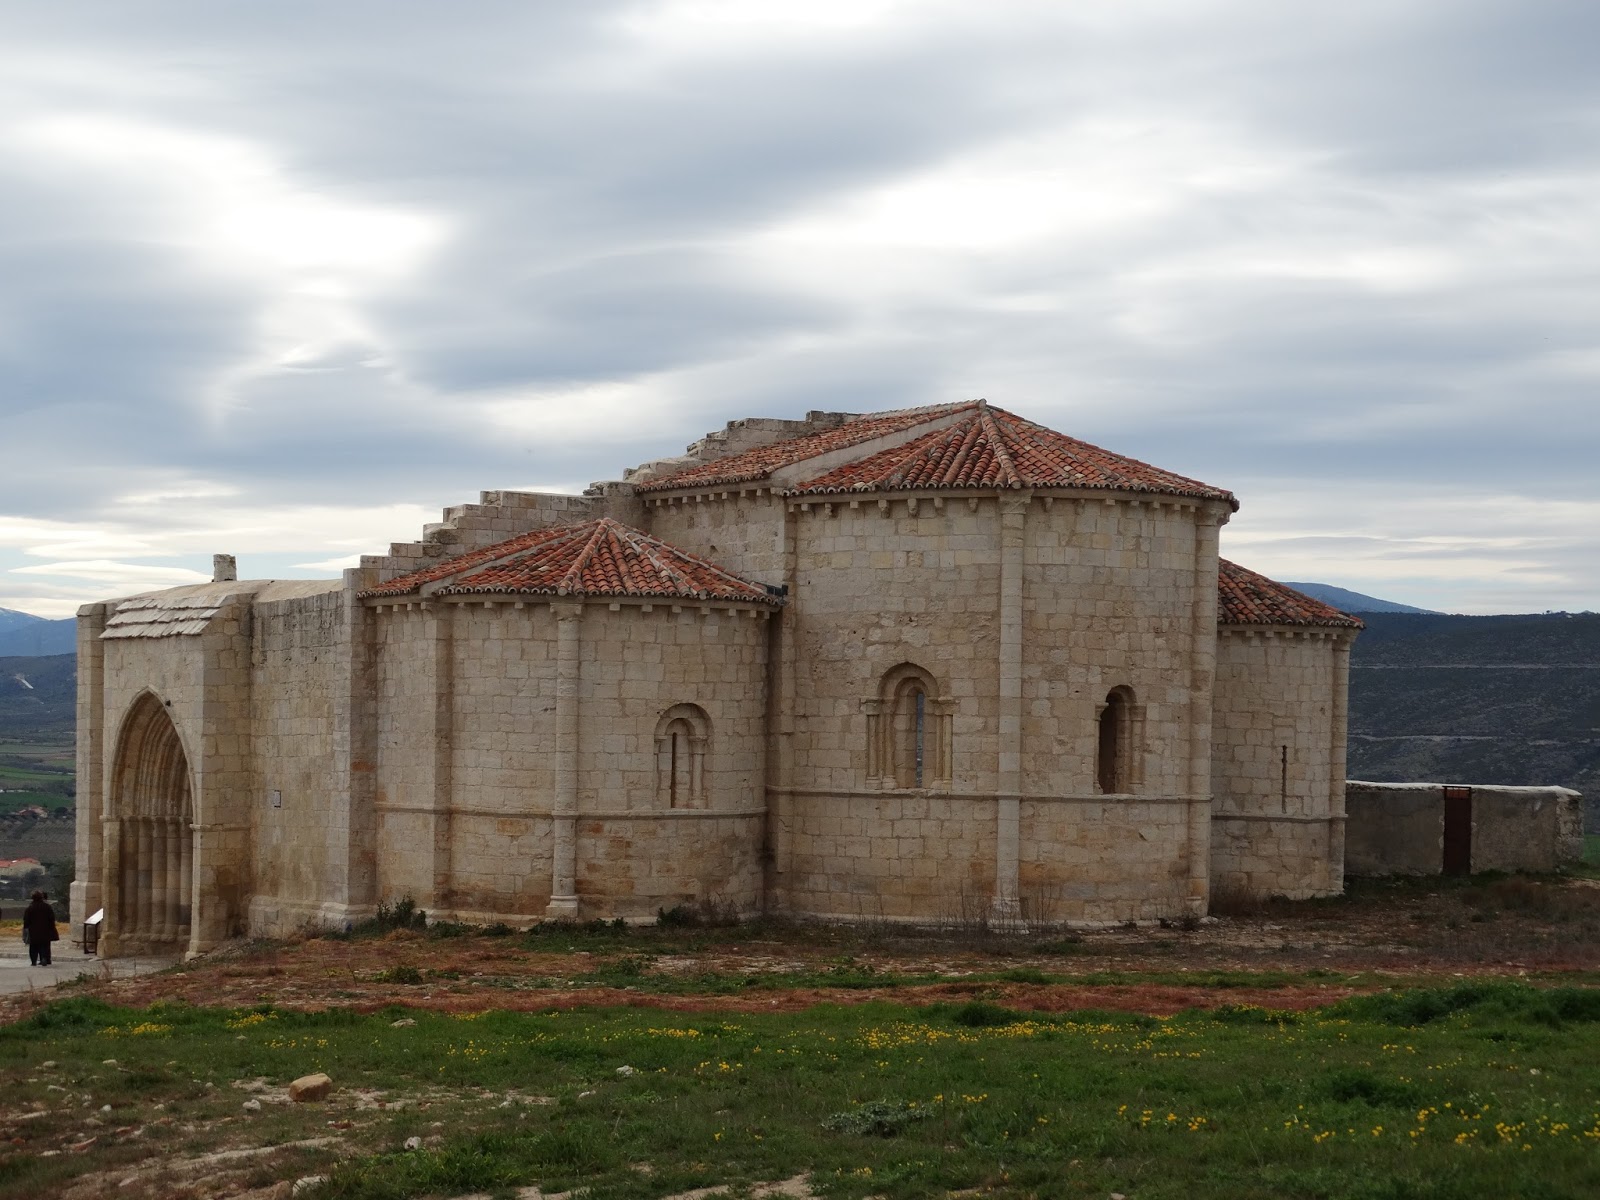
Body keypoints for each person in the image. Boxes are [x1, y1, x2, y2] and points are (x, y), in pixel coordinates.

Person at [22, 890, 58, 967]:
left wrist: (25, 929)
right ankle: (44, 958)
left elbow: (26, 920)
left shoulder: (30, 908)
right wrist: (52, 928)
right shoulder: (47, 907)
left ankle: (33, 961)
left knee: (33, 947)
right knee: (44, 945)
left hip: (33, 931)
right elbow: (52, 918)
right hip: (45, 930)